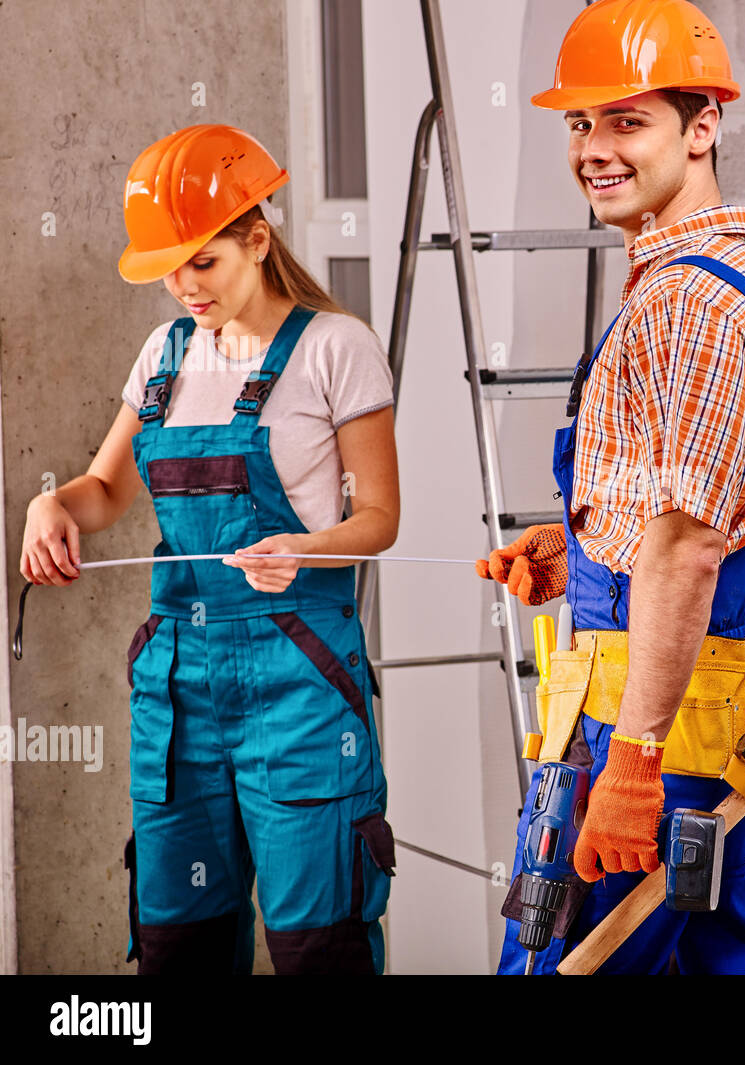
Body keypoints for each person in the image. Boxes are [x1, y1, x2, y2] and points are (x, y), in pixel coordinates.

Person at [476, 0, 745, 974]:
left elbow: (687, 547)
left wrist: (629, 763)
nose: (594, 148)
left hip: (652, 734)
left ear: (702, 125)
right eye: (579, 124)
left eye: (626, 121)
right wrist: (592, 540)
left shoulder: (681, 309)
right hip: (742, 720)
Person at [19, 124, 400, 974]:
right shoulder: (163, 355)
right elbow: (108, 489)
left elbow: (378, 518)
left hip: (300, 679)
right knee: (177, 942)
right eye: (169, 268)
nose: (184, 287)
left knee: (318, 943)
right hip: (179, 686)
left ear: (256, 239)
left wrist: (303, 547)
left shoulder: (336, 347)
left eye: (204, 262)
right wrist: (53, 504)